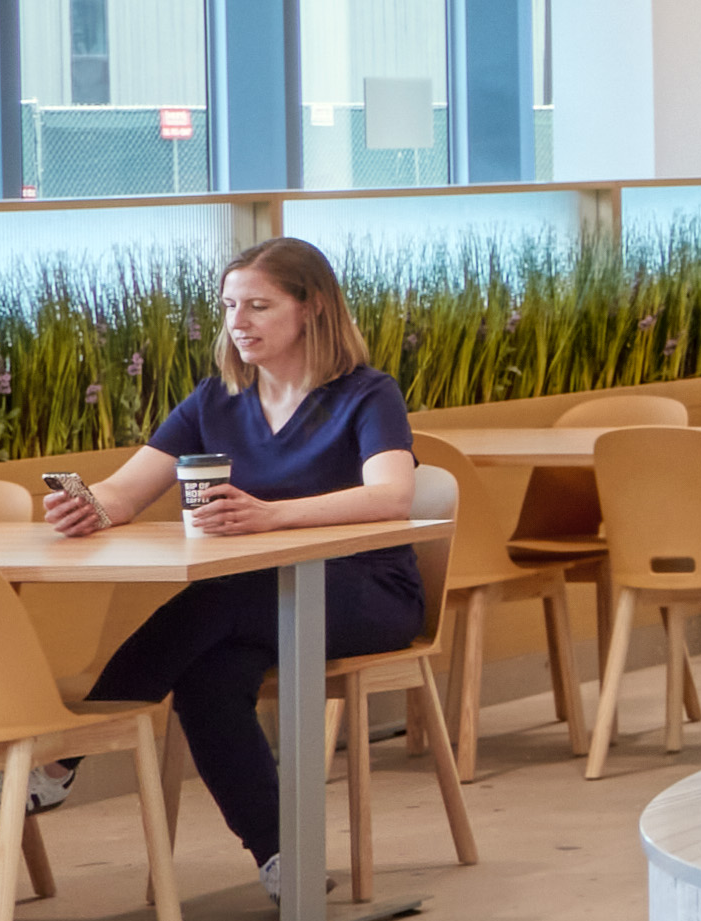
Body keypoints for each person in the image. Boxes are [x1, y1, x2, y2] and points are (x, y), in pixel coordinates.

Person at [41, 239, 449, 868]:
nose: (239, 322)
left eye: (259, 306)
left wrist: (271, 515)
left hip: (365, 593)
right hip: (261, 602)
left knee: (220, 596)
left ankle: (62, 757)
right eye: (230, 306)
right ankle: (286, 862)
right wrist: (89, 507)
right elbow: (125, 491)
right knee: (207, 680)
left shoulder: (367, 394)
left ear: (312, 308)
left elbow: (392, 496)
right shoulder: (216, 399)